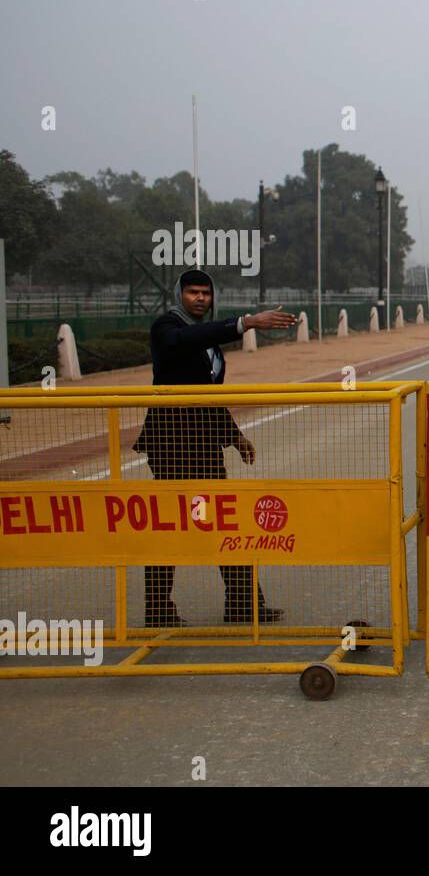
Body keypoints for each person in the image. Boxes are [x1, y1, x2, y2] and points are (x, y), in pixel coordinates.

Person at [131, 268, 298, 628]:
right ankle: (158, 608)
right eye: (193, 292)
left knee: (226, 522)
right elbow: (182, 342)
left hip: (204, 445)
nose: (201, 299)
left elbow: (208, 395)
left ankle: (243, 604)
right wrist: (246, 322)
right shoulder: (166, 328)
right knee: (171, 527)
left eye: (205, 293)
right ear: (180, 295)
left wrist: (235, 436)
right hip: (172, 447)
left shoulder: (206, 341)